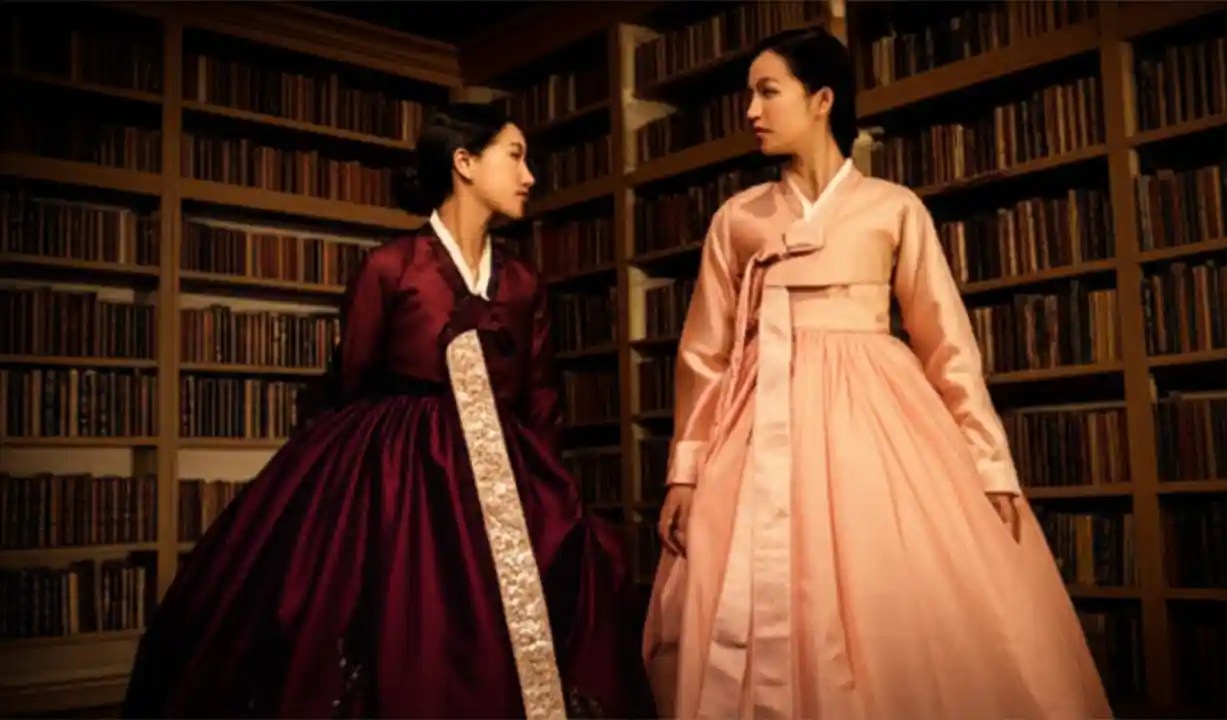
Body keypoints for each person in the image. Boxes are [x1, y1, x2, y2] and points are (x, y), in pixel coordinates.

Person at [641, 27, 1114, 720]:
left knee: (884, 589)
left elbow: (946, 343)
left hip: (877, 424)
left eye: (769, 92)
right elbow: (705, 353)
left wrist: (990, 464)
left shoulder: (894, 207)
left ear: (822, 99)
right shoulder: (736, 218)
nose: (751, 111)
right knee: (743, 581)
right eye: (750, 95)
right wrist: (685, 470)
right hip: (756, 421)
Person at [123, 103, 649, 719]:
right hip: (404, 475)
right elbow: (353, 380)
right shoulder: (391, 266)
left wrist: (548, 493)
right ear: (464, 162)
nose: (529, 175)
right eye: (515, 155)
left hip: (509, 475)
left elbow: (539, 398)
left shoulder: (524, 281)